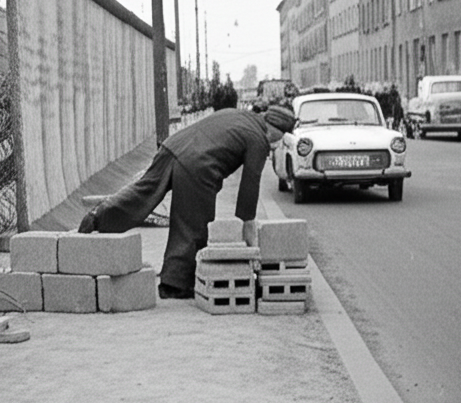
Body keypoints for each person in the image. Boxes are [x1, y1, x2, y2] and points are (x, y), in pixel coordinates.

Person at [77, 105, 298, 299]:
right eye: (280, 137)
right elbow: (249, 187)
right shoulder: (258, 139)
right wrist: (250, 240)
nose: (277, 143)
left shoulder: (238, 115)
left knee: (142, 193)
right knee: (192, 225)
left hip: (172, 147)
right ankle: (174, 285)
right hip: (198, 166)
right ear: (275, 131)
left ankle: (99, 216)